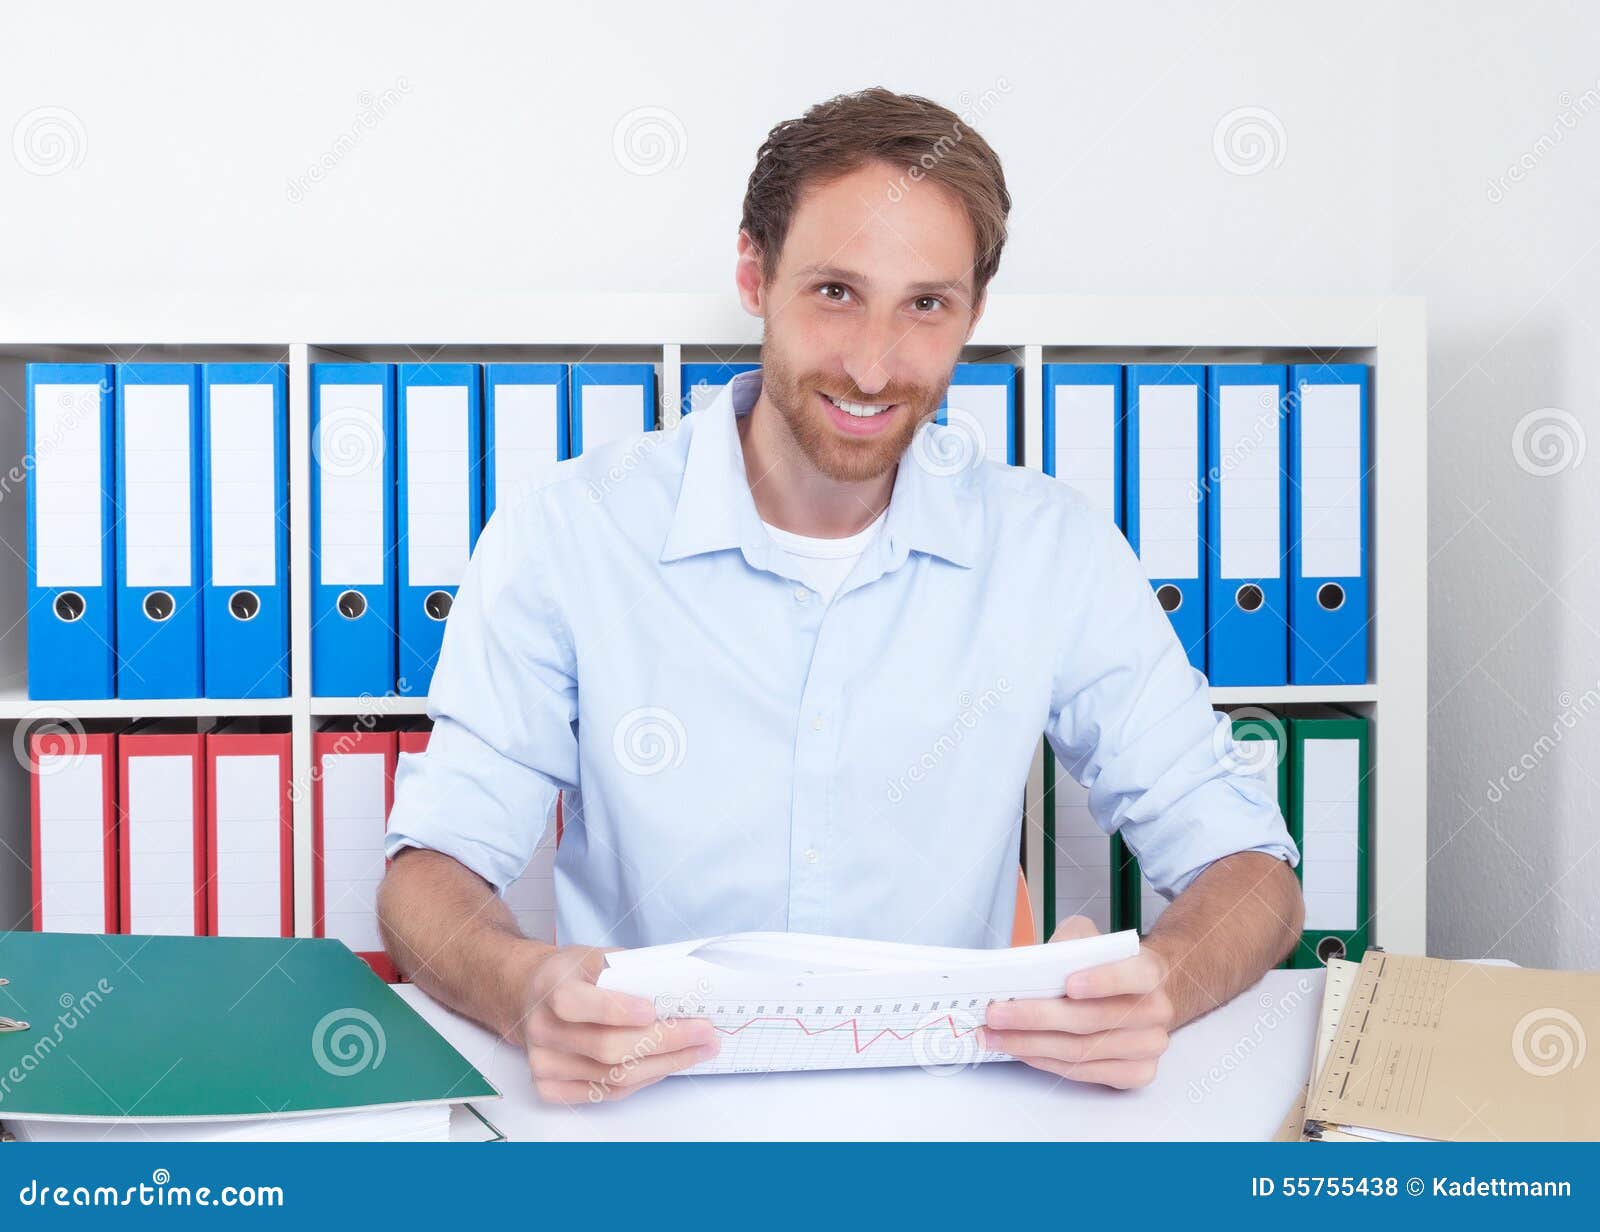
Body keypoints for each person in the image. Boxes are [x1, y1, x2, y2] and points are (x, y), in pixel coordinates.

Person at [378, 87, 1303, 1105]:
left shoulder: (1053, 549)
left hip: (954, 1115)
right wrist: (522, 990)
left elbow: (1248, 864)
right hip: (644, 1112)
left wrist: (1161, 985)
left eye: (924, 304)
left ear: (973, 312)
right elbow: (429, 874)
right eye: (833, 292)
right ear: (752, 273)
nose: (873, 364)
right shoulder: (566, 534)